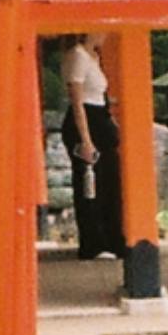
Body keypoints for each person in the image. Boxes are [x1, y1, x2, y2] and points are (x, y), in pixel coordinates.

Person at [62, 37, 125, 259]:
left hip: (100, 119)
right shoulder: (78, 55)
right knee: (90, 183)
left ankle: (112, 237)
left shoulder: (94, 56)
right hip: (86, 121)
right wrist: (85, 139)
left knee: (109, 181)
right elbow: (77, 101)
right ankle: (94, 242)